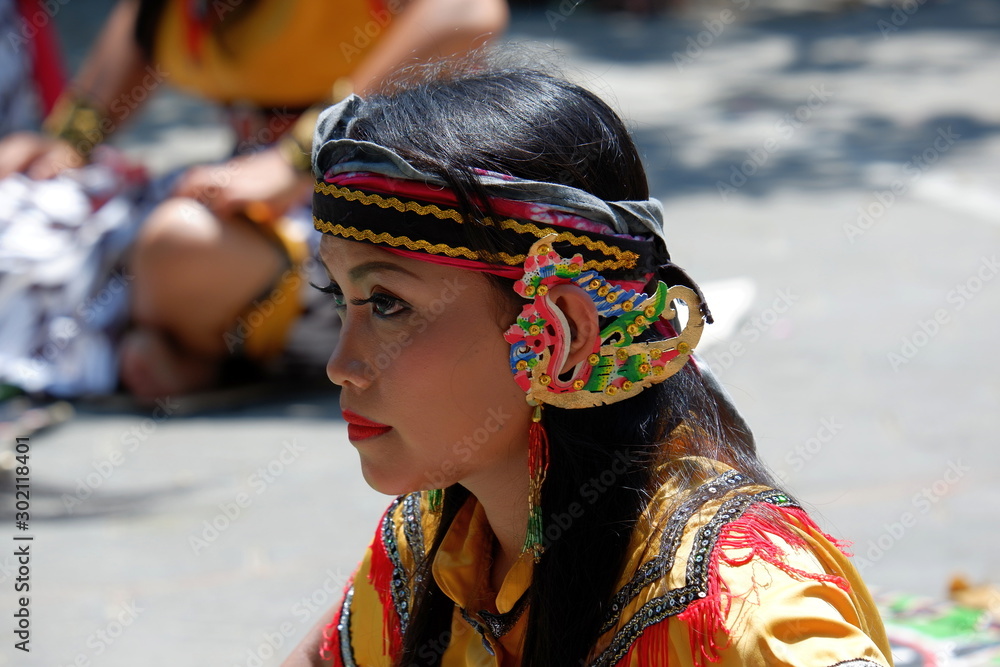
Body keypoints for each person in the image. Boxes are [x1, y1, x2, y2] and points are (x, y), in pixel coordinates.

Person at [282, 65, 892, 666]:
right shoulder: (435, 545)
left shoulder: (740, 611)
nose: (342, 366)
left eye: (388, 304)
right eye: (340, 298)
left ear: (563, 332)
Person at [0, 0, 508, 401]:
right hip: (243, 182)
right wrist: (66, 145)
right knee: (18, 198)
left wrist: (297, 157)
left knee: (182, 243)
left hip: (377, 207)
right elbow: (141, 30)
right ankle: (156, 333)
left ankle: (197, 352)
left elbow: (468, 12)